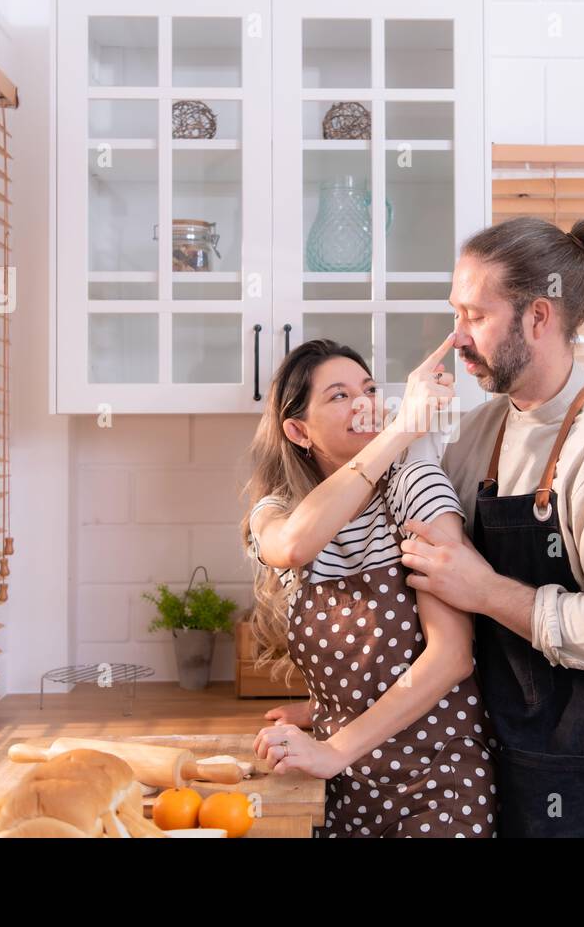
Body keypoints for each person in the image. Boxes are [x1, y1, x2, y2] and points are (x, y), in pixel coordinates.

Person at [397, 216, 584, 838]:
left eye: (475, 316)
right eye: (457, 314)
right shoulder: (482, 434)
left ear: (539, 317)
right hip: (514, 766)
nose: (457, 338)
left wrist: (484, 590)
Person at [242, 337, 497, 837]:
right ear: (297, 430)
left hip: (438, 786)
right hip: (346, 791)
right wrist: (328, 707)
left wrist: (334, 746)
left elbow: (451, 658)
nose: (364, 403)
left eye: (370, 388)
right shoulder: (278, 512)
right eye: (338, 396)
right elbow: (293, 545)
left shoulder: (414, 486)